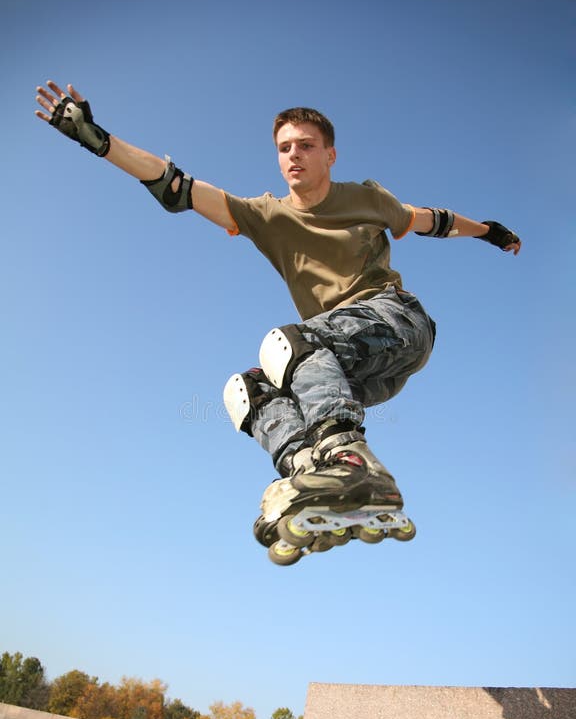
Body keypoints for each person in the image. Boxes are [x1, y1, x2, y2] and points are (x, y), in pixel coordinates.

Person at [35, 80, 521, 532]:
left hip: (397, 323)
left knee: (290, 342)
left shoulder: (368, 198)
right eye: (285, 148)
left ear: (330, 154)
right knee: (247, 389)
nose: (294, 156)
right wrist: (99, 141)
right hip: (346, 372)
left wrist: (489, 231)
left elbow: (430, 220)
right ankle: (308, 475)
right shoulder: (265, 215)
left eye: (306, 145)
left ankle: (349, 461)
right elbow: (175, 184)